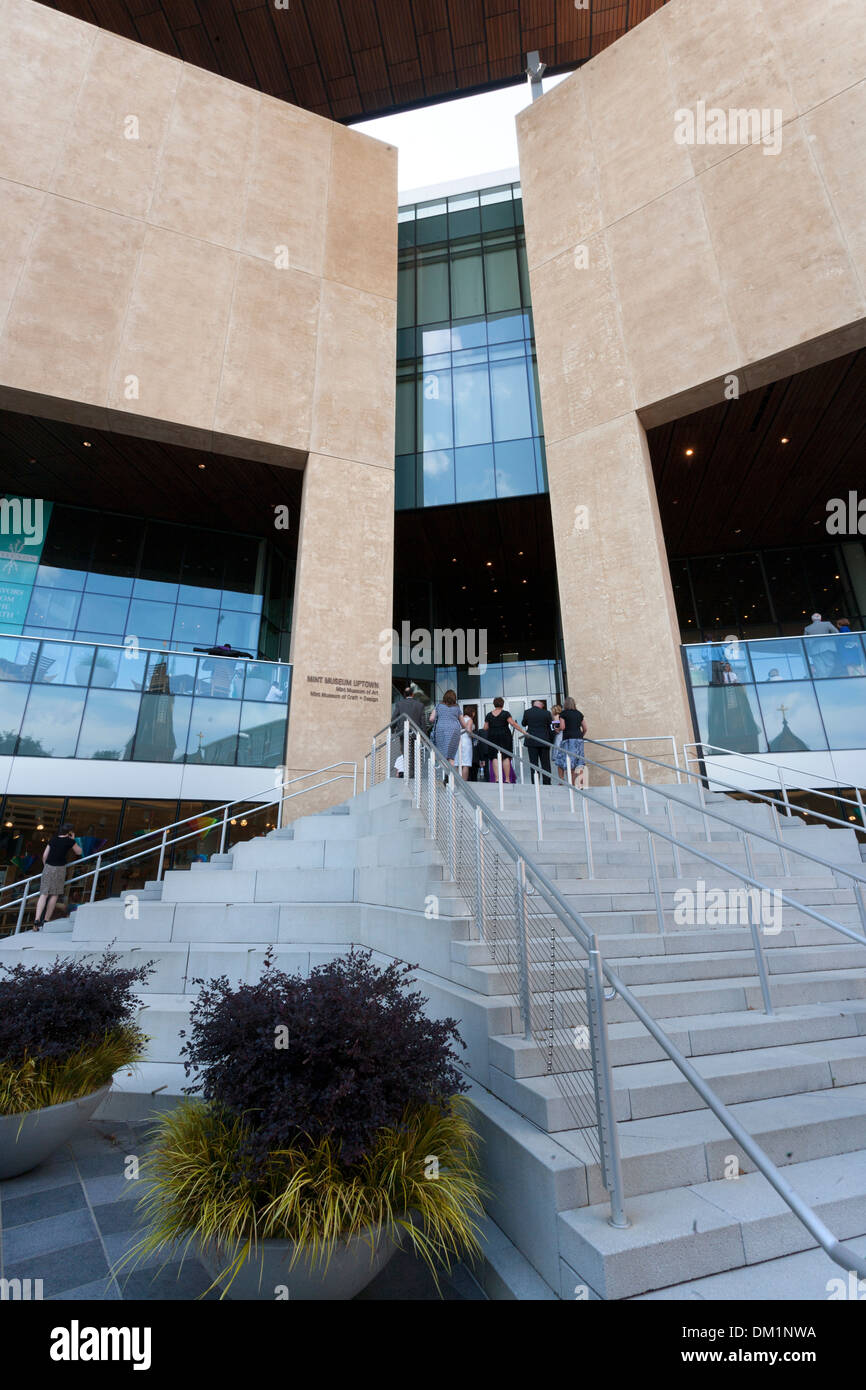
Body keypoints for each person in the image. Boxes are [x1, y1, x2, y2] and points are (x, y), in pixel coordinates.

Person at [33, 823, 82, 930]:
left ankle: (36, 920)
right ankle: (46, 920)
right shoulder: (70, 841)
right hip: (60, 868)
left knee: (44, 894)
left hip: (48, 867)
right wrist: (74, 839)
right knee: (54, 895)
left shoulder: (53, 839)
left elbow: (45, 855)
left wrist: (46, 866)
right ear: (69, 832)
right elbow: (79, 851)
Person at [482, 697, 521, 783]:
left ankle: (497, 779)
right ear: (502, 704)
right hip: (505, 736)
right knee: (505, 756)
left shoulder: (489, 715)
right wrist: (523, 732)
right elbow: (513, 723)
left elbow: (485, 728)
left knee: (494, 757)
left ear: (494, 704)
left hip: (492, 736)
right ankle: (507, 779)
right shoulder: (505, 714)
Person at [553, 697, 587, 789]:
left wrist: (557, 729)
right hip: (579, 739)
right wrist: (581, 735)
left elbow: (563, 727)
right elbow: (585, 728)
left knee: (570, 761)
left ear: (565, 704)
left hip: (568, 739)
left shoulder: (564, 714)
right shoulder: (579, 714)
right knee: (579, 762)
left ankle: (573, 784)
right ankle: (580, 784)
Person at [429, 690, 464, 770]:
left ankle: (445, 775)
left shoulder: (438, 706)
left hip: (441, 730)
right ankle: (450, 777)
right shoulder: (457, 708)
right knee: (451, 756)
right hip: (454, 732)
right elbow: (463, 724)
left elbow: (431, 719)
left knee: (442, 754)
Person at [521, 698, 552, 784]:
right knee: (545, 764)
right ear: (540, 706)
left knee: (534, 763)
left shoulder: (527, 712)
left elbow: (523, 723)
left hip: (532, 741)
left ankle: (535, 782)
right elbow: (550, 723)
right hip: (544, 741)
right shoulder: (546, 713)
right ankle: (547, 783)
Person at [457, 709, 475, 781]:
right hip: (466, 741)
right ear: (471, 713)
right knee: (466, 763)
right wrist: (473, 735)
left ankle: (457, 781)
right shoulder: (469, 720)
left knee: (458, 762)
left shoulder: (460, 719)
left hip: (458, 741)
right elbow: (468, 730)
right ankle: (464, 781)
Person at [550, 704, 565, 782]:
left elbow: (557, 729)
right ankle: (564, 778)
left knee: (559, 759)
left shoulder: (556, 717)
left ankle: (561, 779)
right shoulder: (563, 716)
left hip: (559, 737)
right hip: (564, 737)